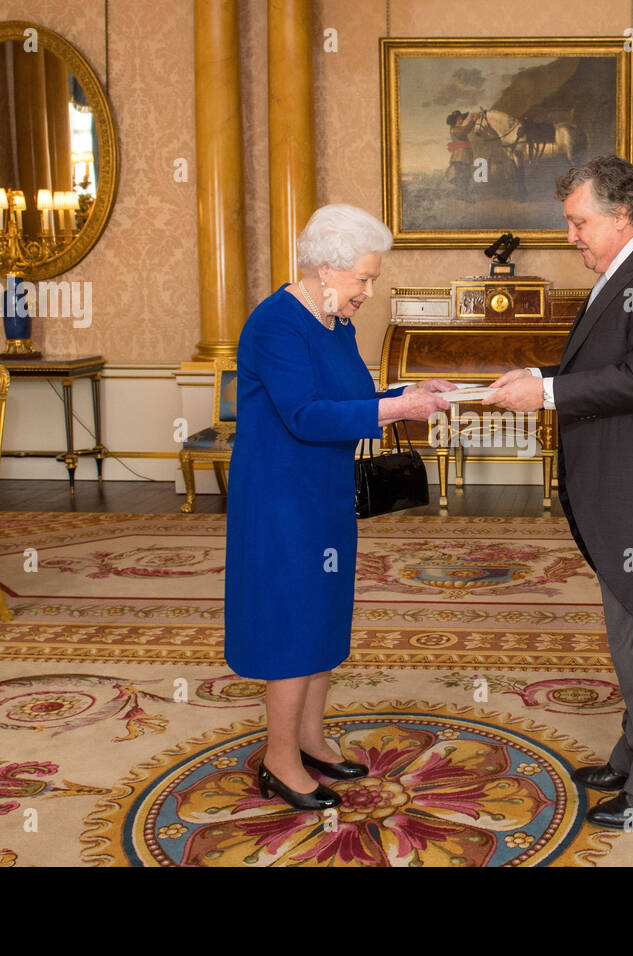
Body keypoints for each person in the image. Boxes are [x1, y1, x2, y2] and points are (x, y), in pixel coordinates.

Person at [489, 156, 633, 830]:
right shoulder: (625, 276)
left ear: (622, 215)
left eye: (579, 222)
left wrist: (550, 391)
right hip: (627, 488)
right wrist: (536, 376)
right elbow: (601, 367)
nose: (571, 236)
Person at [224, 204, 451, 810]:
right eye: (363, 280)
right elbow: (305, 415)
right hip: (280, 496)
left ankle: (309, 739)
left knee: (324, 611)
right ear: (327, 269)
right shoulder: (276, 324)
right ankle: (278, 758)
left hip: (326, 489)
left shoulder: (334, 322)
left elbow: (352, 399)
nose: (368, 293)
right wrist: (395, 411)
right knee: (291, 619)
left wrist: (408, 394)